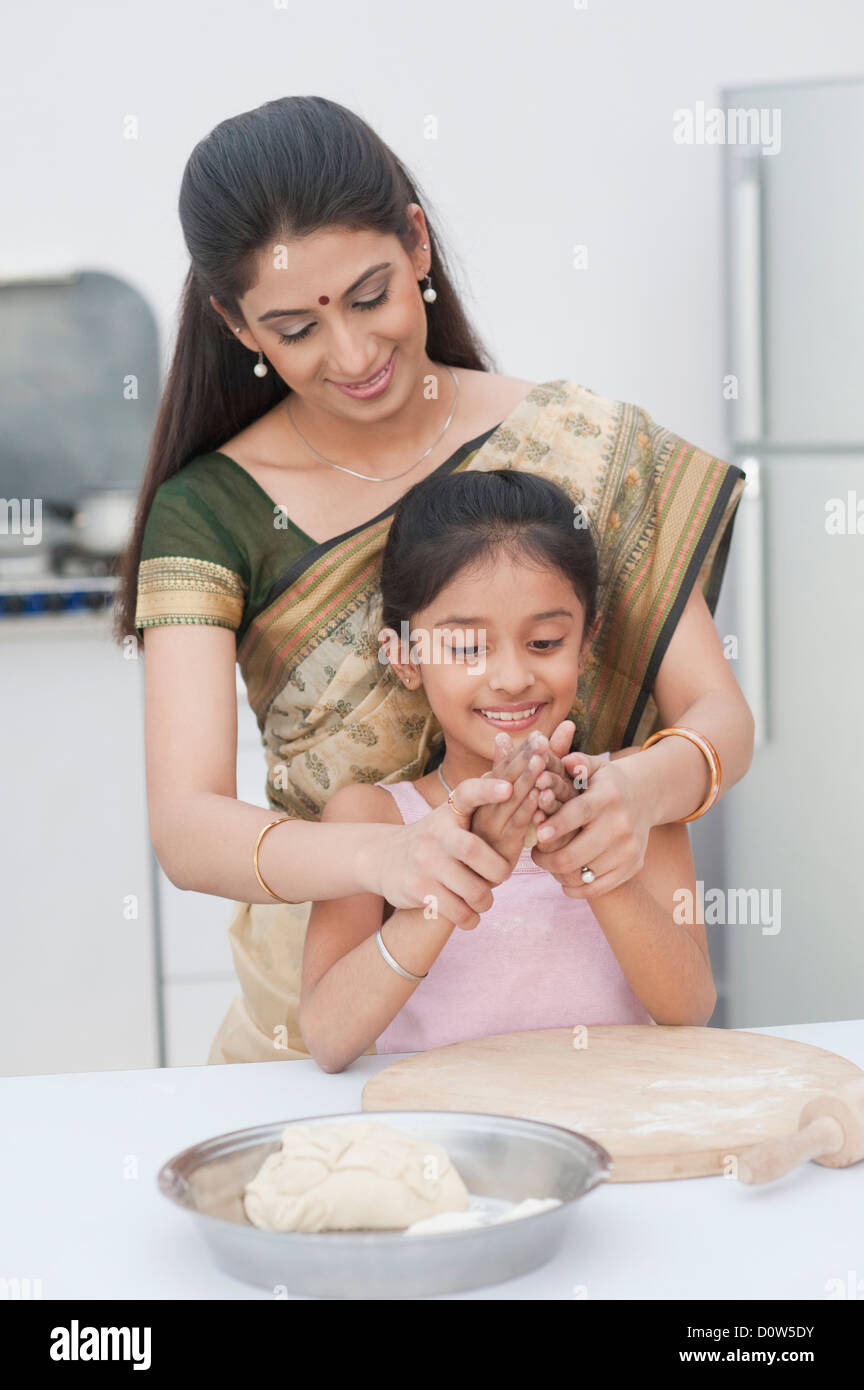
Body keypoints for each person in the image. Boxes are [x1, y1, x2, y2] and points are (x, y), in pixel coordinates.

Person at [114, 95, 753, 1065]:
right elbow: (187, 826)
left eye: (370, 296)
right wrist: (387, 857)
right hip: (323, 1032)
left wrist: (637, 792)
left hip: (597, 1036)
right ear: (235, 325)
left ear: (417, 244)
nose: (354, 355)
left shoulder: (579, 447)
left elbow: (719, 713)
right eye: (295, 329)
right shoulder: (211, 512)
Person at [301, 468, 716, 1071]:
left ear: (587, 638)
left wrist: (589, 854)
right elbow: (328, 1038)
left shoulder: (631, 793)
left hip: (608, 1125)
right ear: (406, 656)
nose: (513, 676)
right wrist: (464, 870)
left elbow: (690, 1007)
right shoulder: (373, 818)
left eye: (545, 642)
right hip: (442, 1144)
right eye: (468, 649)